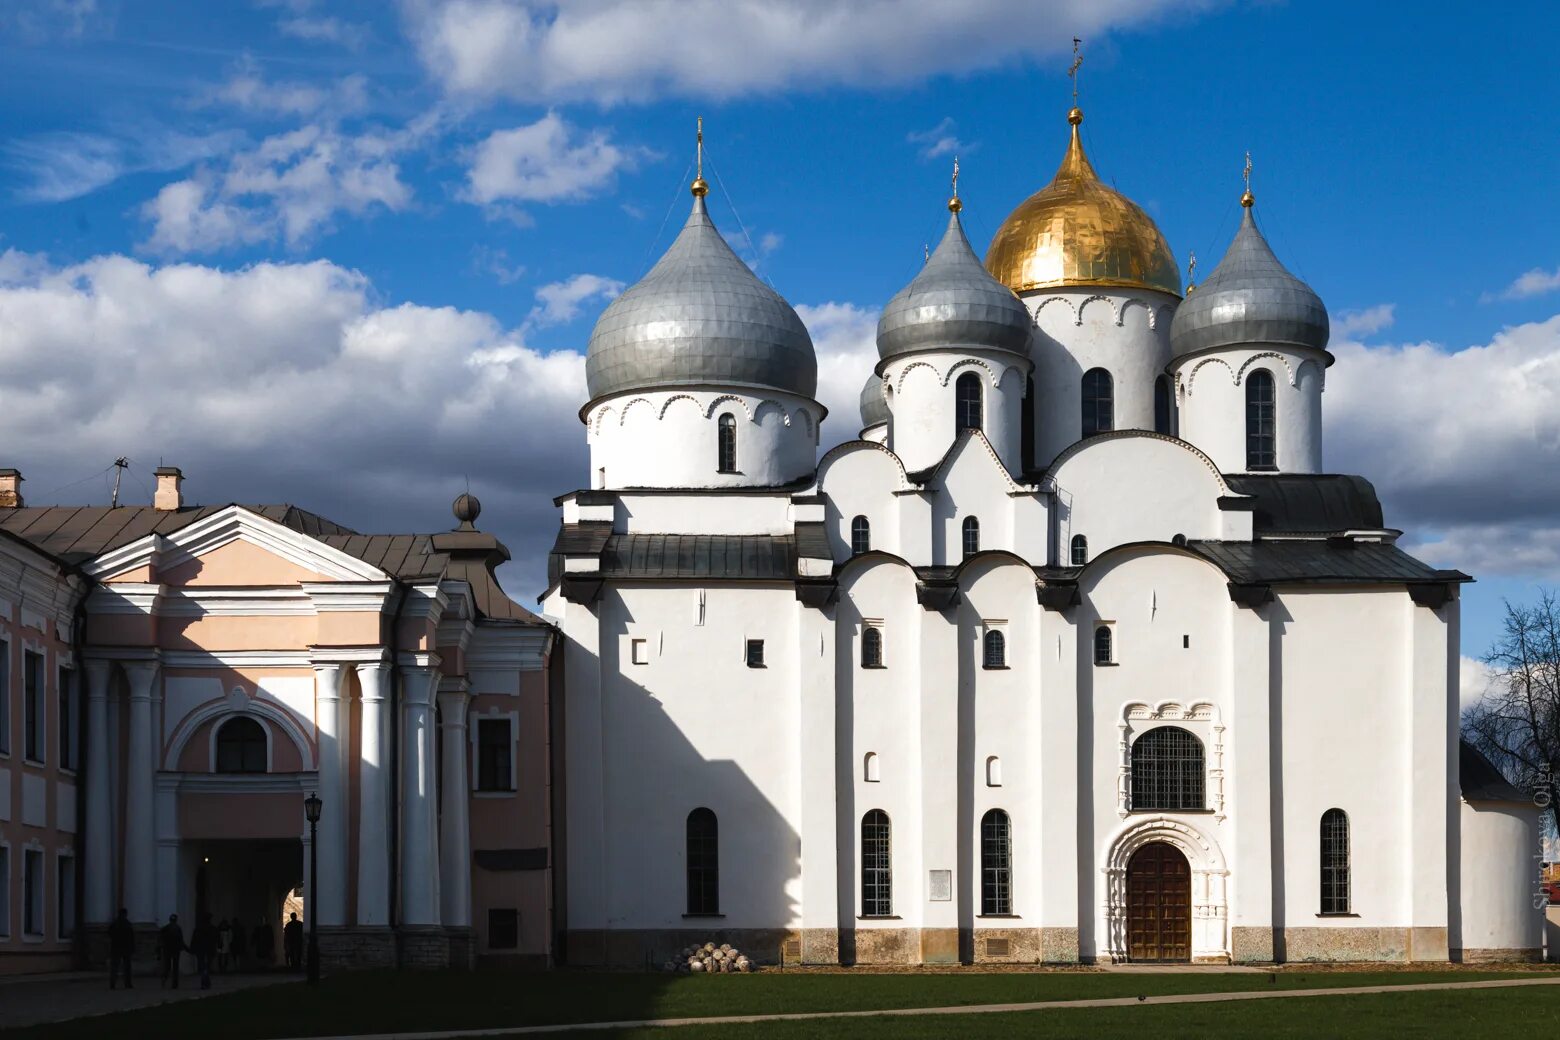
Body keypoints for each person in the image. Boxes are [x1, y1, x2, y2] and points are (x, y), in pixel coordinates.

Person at [157, 914, 186, 989]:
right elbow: (181, 939)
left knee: (167, 966)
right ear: (176, 920)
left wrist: (160, 946)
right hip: (176, 950)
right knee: (175, 967)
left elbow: (160, 937)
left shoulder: (166, 928)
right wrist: (184, 948)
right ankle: (175, 984)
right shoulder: (178, 928)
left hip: (167, 949)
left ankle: (164, 977)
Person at [108, 908, 135, 990]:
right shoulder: (127, 924)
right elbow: (131, 937)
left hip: (116, 947)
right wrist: (132, 948)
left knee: (114, 967)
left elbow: (109, 934)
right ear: (125, 914)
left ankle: (112, 983)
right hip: (126, 948)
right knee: (127, 967)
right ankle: (128, 984)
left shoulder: (114, 924)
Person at [190, 913, 219, 990]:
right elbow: (217, 939)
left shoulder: (198, 929)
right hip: (209, 949)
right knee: (206, 967)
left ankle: (205, 982)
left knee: (203, 967)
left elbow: (194, 940)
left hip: (201, 950)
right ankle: (206, 982)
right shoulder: (213, 929)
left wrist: (192, 949)